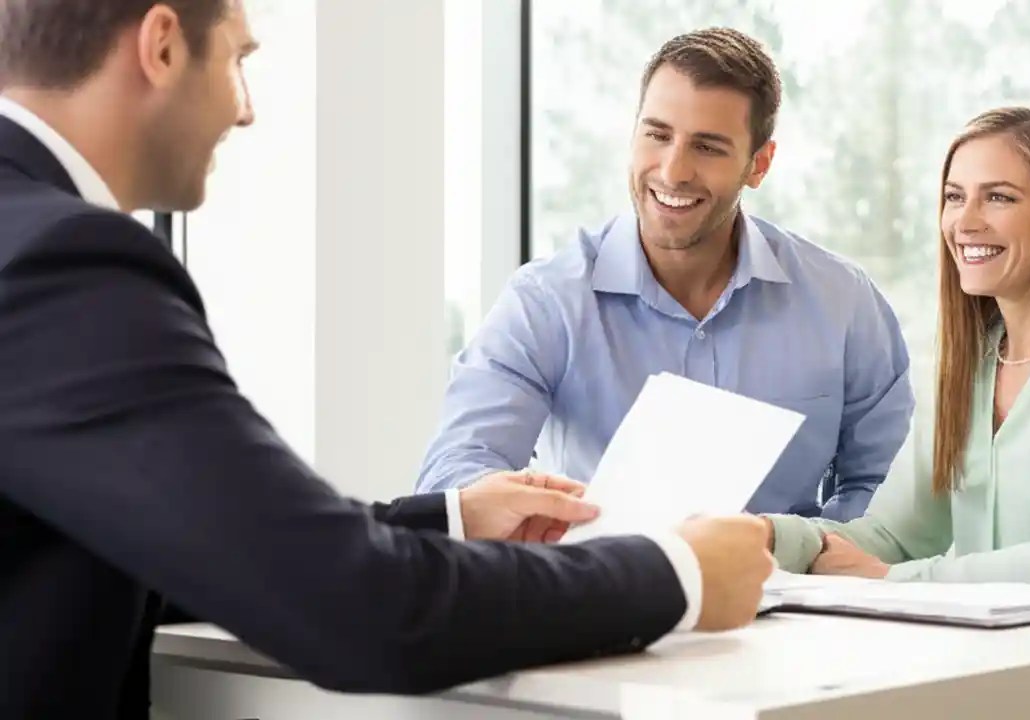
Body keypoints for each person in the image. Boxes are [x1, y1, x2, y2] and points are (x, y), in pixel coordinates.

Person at [0, 2, 773, 717]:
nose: (245, 108)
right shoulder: (66, 266)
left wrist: (452, 520)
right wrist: (676, 574)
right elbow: (356, 606)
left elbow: (198, 537)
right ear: (163, 45)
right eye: (238, 61)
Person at [417, 27, 913, 521]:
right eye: (657, 135)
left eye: (708, 147)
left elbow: (888, 489)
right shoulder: (545, 301)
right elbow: (458, 473)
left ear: (758, 164)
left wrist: (807, 551)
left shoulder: (842, 302)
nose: (673, 171)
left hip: (789, 589)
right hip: (602, 588)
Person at [761, 107, 1030, 605]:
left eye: (998, 197)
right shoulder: (969, 364)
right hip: (997, 659)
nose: (964, 222)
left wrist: (887, 581)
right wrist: (770, 537)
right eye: (954, 197)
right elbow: (895, 537)